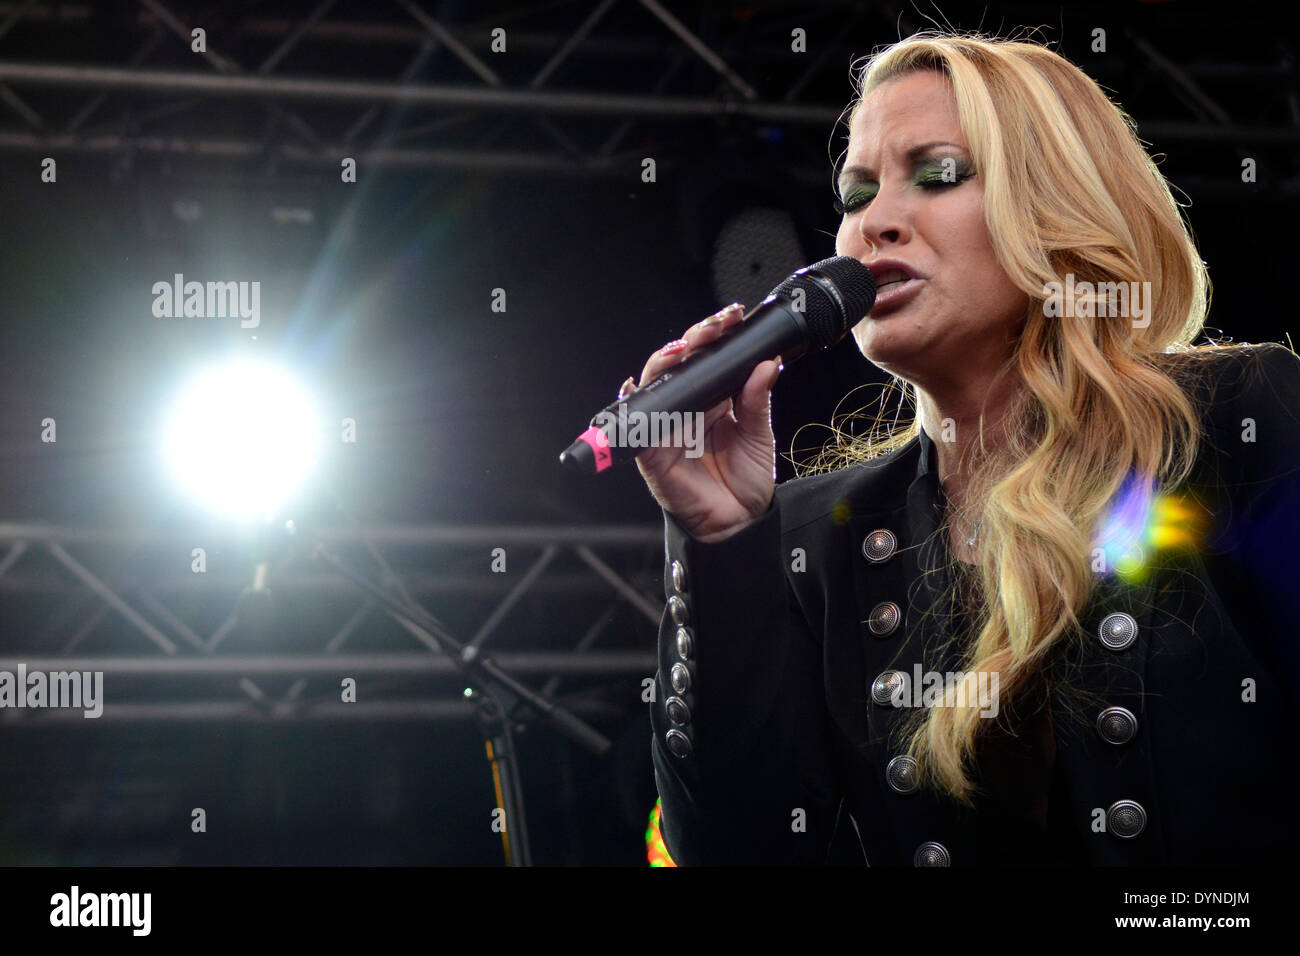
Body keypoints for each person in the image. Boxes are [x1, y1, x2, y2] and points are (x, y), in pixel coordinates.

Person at [625, 32, 1300, 866]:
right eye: (856, 192)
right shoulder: (813, 534)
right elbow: (740, 848)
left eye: (937, 174)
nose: (875, 222)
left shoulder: (1239, 422)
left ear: (1057, 208)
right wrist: (722, 545)